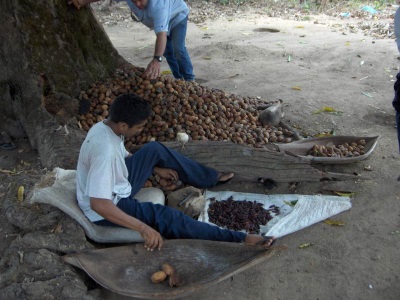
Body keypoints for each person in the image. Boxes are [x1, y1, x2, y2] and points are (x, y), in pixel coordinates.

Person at [76, 93, 275, 251]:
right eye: (139, 127)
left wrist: (154, 167)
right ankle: (239, 238)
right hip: (108, 205)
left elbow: (124, 155)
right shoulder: (105, 152)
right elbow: (99, 204)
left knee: (154, 149)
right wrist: (143, 228)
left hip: (116, 184)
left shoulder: (105, 127)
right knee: (165, 216)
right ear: (123, 125)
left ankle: (210, 178)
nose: (140, 131)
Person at [69, 0, 195, 81]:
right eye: (135, 1)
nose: (138, 4)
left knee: (178, 48)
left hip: (177, 16)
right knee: (168, 52)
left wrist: (156, 60)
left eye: (141, 0)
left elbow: (161, 35)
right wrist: (83, 1)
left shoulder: (159, 6)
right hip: (160, 22)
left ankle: (189, 80)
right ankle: (179, 78)